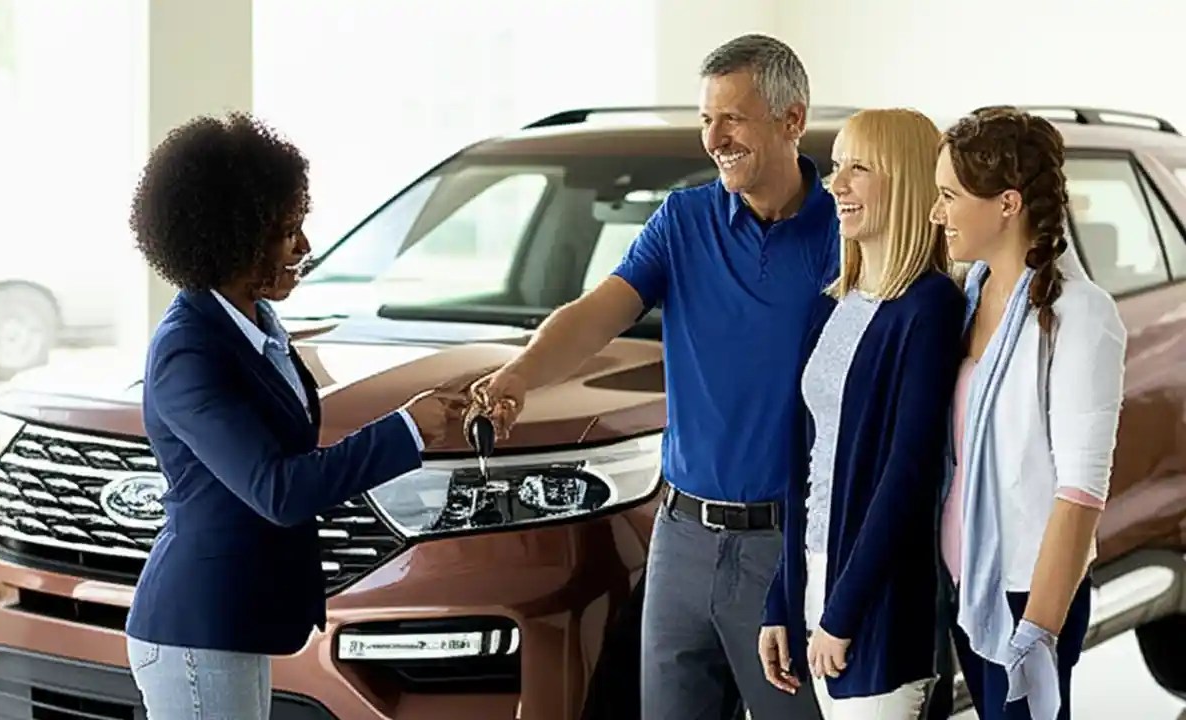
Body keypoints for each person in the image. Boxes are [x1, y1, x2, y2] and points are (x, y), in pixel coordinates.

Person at [469, 34, 835, 719]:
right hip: (682, 540)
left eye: (733, 117)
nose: (715, 138)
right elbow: (594, 315)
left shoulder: (845, 233)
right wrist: (518, 376)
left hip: (788, 551)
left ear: (791, 120)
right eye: (706, 120)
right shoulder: (683, 220)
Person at [122, 112, 466, 719]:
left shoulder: (253, 324)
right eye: (288, 231)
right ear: (233, 238)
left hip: (234, 622)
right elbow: (278, 488)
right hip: (196, 627)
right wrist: (407, 430)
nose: (305, 247)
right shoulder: (187, 349)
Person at [756, 108, 966, 719]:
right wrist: (782, 598)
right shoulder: (833, 304)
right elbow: (810, 469)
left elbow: (907, 477)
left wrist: (842, 613)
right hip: (815, 587)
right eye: (837, 166)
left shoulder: (929, 309)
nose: (835, 184)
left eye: (859, 168)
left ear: (904, 183)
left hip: (873, 605)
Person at [930, 106, 1127, 720]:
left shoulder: (1081, 316)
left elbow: (1080, 493)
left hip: (1026, 595)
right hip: (965, 584)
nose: (938, 213)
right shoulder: (967, 293)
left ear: (1007, 203)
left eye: (948, 196)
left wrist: (1036, 631)